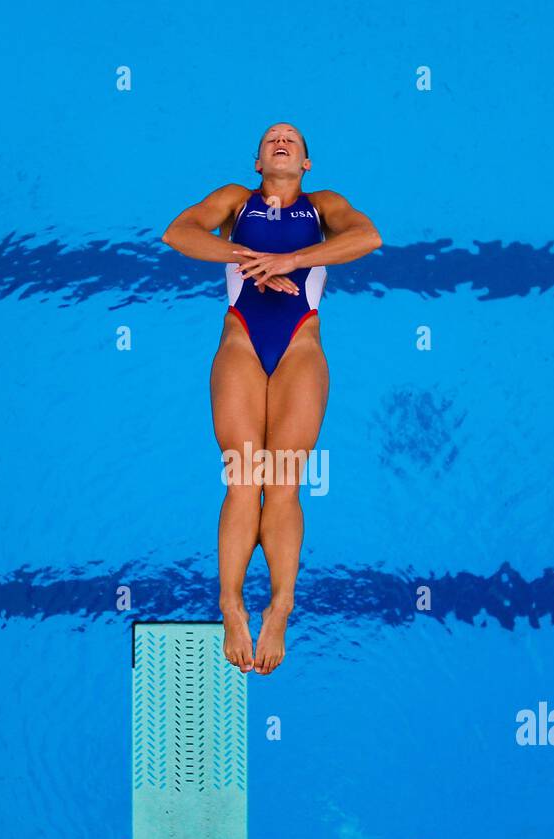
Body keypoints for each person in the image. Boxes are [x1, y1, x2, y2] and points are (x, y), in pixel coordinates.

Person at [161, 123, 382, 674]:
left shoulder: (323, 205)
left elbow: (368, 238)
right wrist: (246, 255)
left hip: (299, 345)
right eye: (270, 139)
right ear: (258, 162)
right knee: (243, 475)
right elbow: (179, 233)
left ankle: (279, 605)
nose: (280, 140)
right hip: (241, 338)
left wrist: (285, 262)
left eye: (291, 139)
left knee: (282, 480)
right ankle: (231, 602)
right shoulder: (237, 202)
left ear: (305, 163)